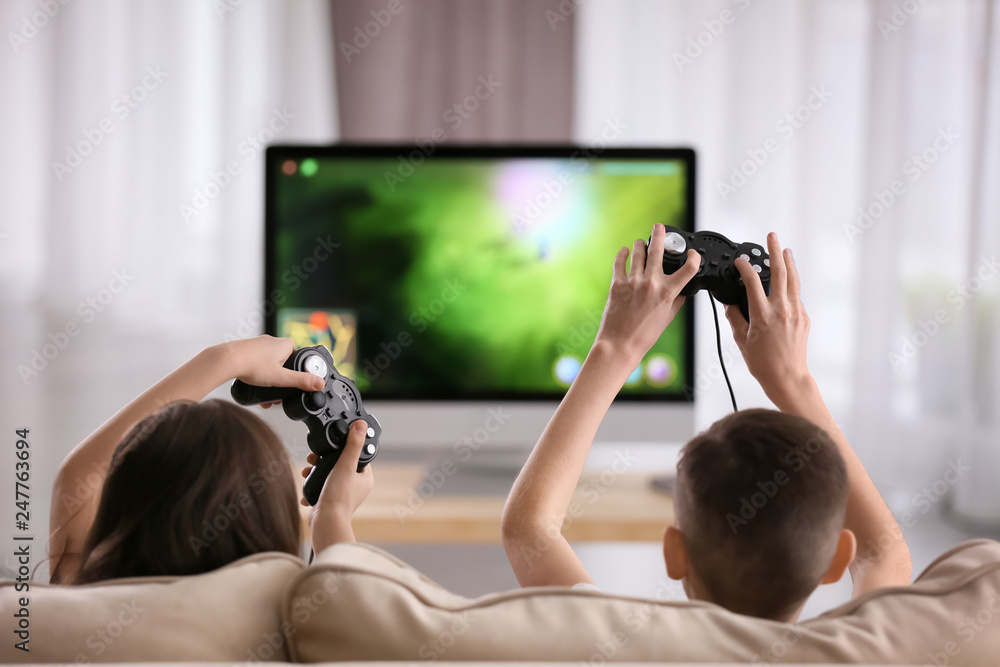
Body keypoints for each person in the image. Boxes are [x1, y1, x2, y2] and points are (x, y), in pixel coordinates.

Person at [500, 224, 912, 622]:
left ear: (674, 553)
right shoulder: (858, 652)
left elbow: (526, 530)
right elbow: (886, 555)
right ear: (836, 558)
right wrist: (794, 382)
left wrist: (617, 347)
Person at [48, 336, 373, 584]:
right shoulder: (290, 635)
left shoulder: (79, 603)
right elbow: (353, 616)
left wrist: (223, 359)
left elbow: (79, 480)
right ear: (271, 524)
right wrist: (332, 517)